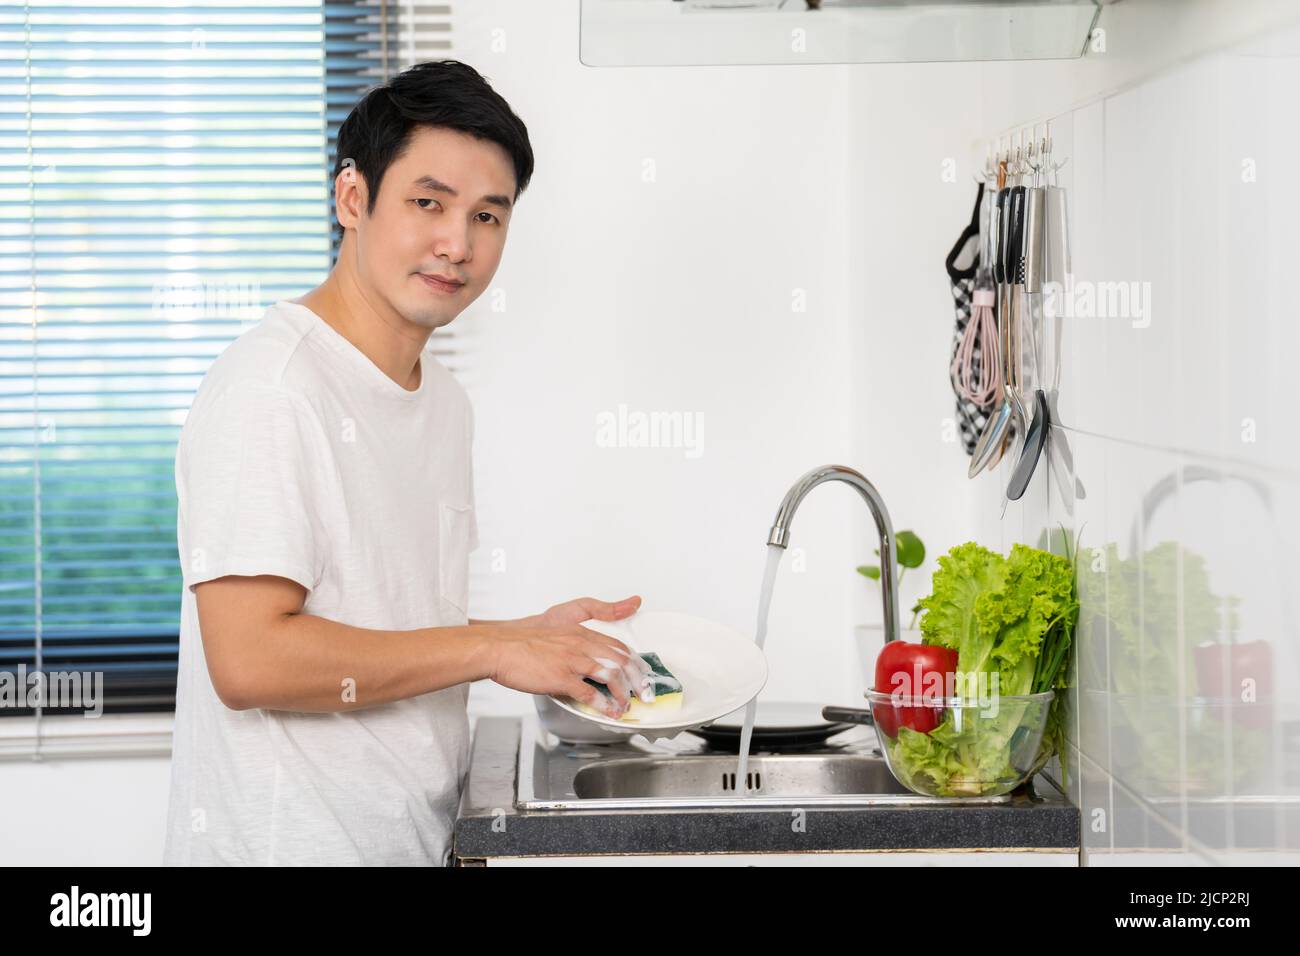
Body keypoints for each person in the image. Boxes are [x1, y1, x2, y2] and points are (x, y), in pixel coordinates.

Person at [162, 60, 652, 866]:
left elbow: (381, 623)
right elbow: (250, 660)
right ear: (353, 198)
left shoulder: (443, 401)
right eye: (429, 203)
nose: (457, 244)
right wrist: (493, 651)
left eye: (488, 216)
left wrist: (518, 634)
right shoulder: (272, 391)